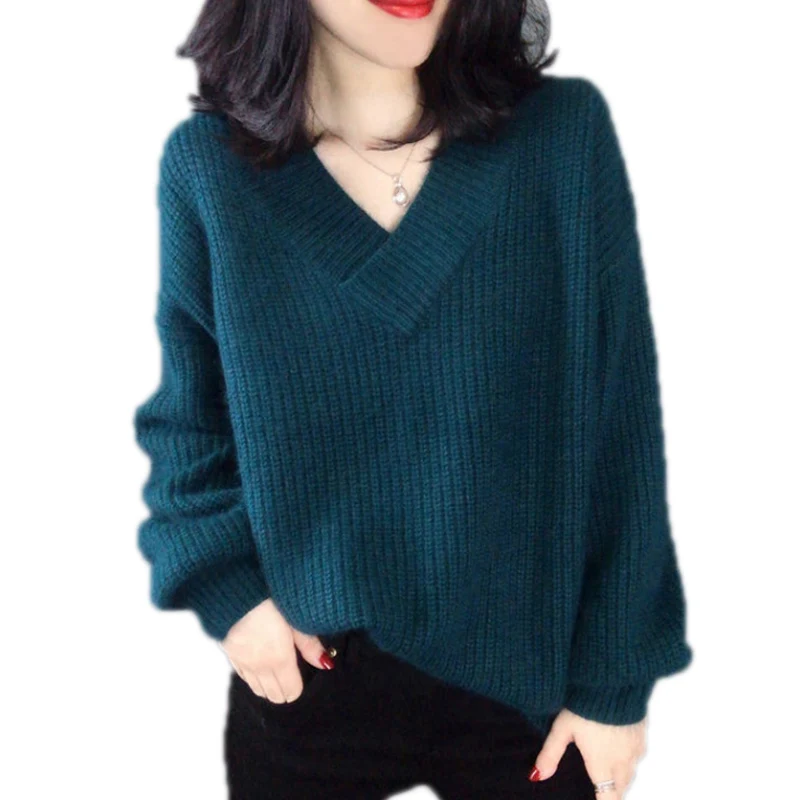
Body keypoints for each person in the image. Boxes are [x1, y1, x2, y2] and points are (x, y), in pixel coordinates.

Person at [132, 0, 693, 797]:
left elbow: (620, 430)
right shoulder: (210, 170)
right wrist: (233, 595)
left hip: (534, 692)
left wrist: (613, 683)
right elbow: (191, 423)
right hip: (308, 678)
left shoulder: (562, 140)